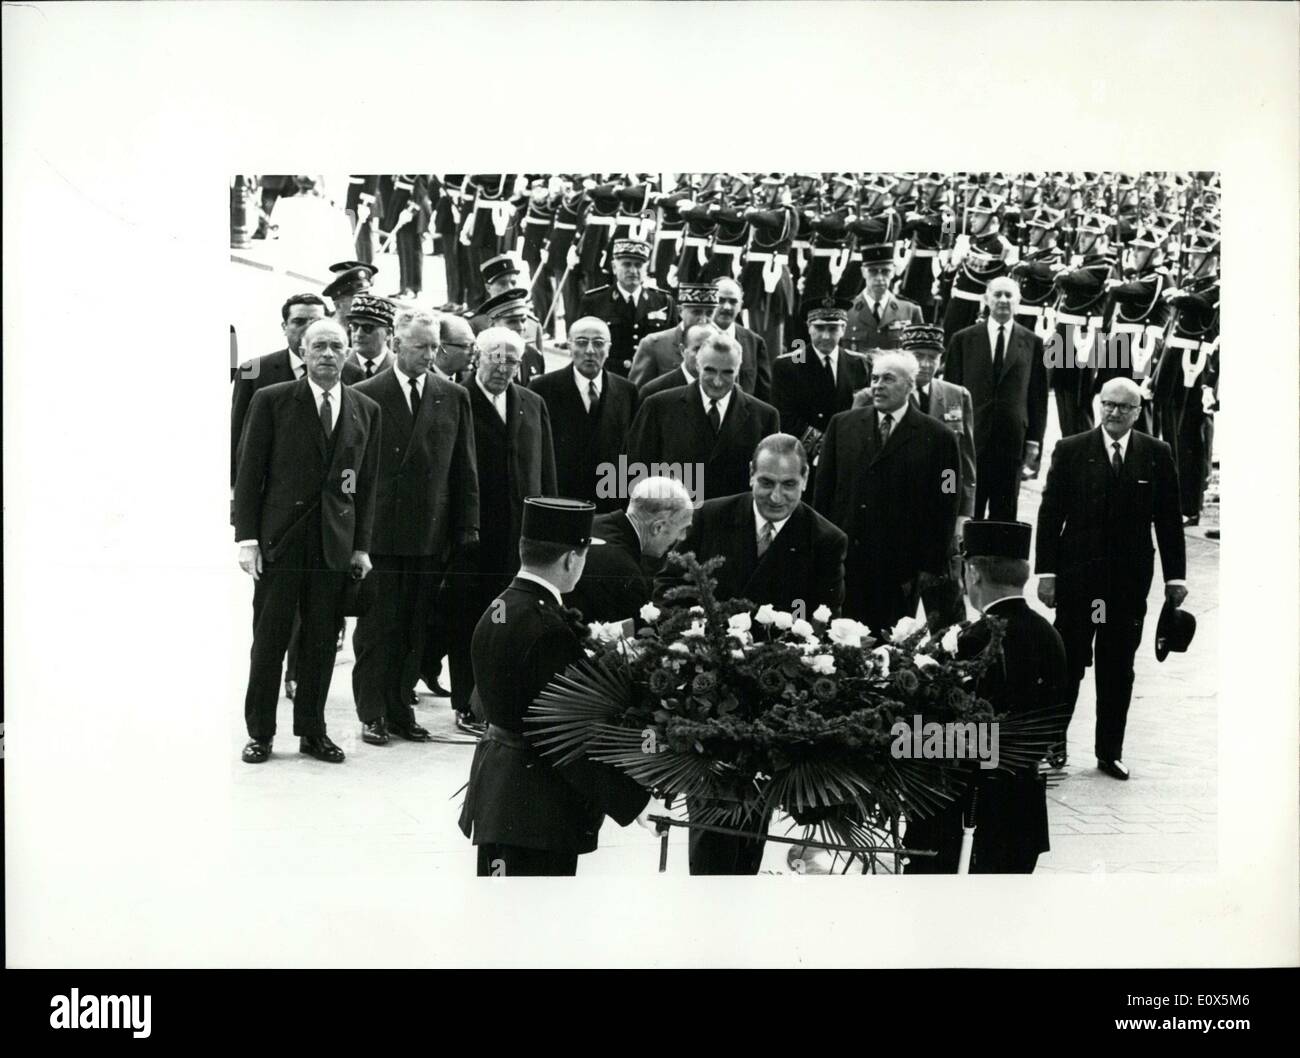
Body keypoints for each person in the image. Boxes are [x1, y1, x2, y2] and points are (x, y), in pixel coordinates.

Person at [660, 434, 847, 876]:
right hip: (708, 702)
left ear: (806, 480)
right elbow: (667, 593)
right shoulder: (710, 518)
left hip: (773, 710)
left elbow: (823, 627)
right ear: (750, 474)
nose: (776, 496)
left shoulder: (825, 539)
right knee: (713, 829)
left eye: (789, 485)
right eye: (766, 482)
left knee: (750, 832)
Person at [458, 498, 652, 876]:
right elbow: (568, 740)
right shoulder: (548, 628)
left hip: (498, 796)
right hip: (536, 812)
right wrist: (636, 803)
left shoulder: (500, 607)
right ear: (570, 560)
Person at [233, 319, 381, 765]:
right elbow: (249, 472)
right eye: (319, 346)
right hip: (281, 544)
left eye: (337, 346)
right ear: (302, 348)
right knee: (270, 640)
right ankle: (260, 732)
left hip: (332, 548)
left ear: (347, 352)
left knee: (321, 642)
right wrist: (249, 539)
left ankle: (312, 732)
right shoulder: (272, 400)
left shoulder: (364, 409)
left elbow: (366, 484)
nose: (328, 355)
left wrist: (360, 546)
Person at [1035, 377, 1187, 780]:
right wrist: (1046, 573)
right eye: (1108, 405)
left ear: (1138, 412)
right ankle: (1054, 745)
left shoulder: (1156, 453)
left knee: (1118, 667)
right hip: (1077, 579)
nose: (1115, 413)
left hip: (1127, 583)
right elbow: (1050, 514)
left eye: (1124, 407)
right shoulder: (1070, 449)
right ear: (1098, 406)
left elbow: (1169, 520)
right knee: (1067, 663)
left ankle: (1109, 752)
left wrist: (1176, 578)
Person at [903, 521, 1067, 873]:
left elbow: (967, 740)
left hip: (968, 820)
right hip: (1024, 815)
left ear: (973, 572)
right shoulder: (1049, 634)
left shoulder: (977, 639)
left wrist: (902, 737)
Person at [351, 308, 479, 746]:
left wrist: (467, 525)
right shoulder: (365, 393)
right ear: (399, 343)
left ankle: (401, 708)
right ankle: (373, 712)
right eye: (421, 346)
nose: (429, 355)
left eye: (434, 347)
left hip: (429, 534)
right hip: (380, 534)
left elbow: (464, 466)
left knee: (413, 626)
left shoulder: (452, 395)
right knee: (376, 627)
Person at [448, 327, 558, 733]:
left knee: (514, 621)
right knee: (471, 619)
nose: (502, 367)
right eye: (494, 357)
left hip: (521, 536)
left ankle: (505, 703)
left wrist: (549, 528)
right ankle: (467, 703)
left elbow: (545, 472)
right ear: (477, 357)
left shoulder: (532, 403)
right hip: (475, 533)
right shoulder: (458, 399)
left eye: (511, 360)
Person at [814, 350, 960, 635]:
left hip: (899, 566)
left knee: (888, 644)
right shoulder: (842, 425)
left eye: (888, 379)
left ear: (909, 385)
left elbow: (947, 503)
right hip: (847, 558)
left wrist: (931, 564)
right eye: (875, 378)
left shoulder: (940, 438)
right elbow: (823, 490)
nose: (877, 385)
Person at [625, 331, 781, 502]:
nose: (717, 381)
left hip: (734, 522)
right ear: (697, 366)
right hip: (673, 518)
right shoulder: (658, 407)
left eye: (727, 373)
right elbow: (636, 471)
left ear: (738, 370)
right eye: (710, 371)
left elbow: (767, 480)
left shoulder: (765, 417)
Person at [942, 276, 1048, 520]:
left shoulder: (1034, 343)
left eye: (1009, 295)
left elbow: (1037, 398)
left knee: (1005, 514)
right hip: (971, 439)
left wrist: (1034, 441)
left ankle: (1000, 556)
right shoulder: (963, 339)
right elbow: (950, 393)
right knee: (968, 509)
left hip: (1011, 440)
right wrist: (951, 435)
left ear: (1018, 302)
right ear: (986, 299)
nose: (1003, 300)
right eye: (997, 294)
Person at [528, 317, 639, 513]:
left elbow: (632, 452)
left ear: (609, 348)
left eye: (598, 343)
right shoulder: (542, 389)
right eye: (581, 342)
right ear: (569, 346)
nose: (589, 351)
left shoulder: (626, 391)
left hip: (610, 504)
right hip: (562, 501)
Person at [770, 295, 870, 497]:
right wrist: (826, 447)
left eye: (833, 329)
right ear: (808, 327)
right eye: (819, 328)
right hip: (804, 459)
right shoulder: (788, 366)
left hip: (847, 458)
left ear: (843, 329)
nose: (825, 336)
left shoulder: (859, 365)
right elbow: (786, 416)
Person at [565, 476, 695, 624]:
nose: (683, 537)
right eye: (682, 529)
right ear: (658, 527)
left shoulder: (590, 524)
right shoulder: (626, 573)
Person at [577, 238, 677, 376]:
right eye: (626, 264)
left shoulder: (663, 302)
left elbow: (673, 345)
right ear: (614, 267)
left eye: (638, 265)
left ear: (646, 268)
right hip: (609, 377)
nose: (633, 270)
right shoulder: (594, 301)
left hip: (650, 379)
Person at [628, 283, 718, 388]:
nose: (703, 319)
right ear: (680, 311)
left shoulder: (725, 344)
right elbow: (637, 392)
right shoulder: (655, 344)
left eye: (709, 313)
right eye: (696, 312)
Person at [843, 244, 923, 353]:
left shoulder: (910, 310)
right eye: (873, 271)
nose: (880, 278)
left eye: (885, 271)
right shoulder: (846, 311)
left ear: (893, 272)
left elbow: (919, 352)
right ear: (863, 272)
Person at [710, 278, 772, 402]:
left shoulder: (754, 342)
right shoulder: (695, 338)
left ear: (741, 305)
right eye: (720, 300)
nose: (727, 307)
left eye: (733, 302)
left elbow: (764, 395)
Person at [475, 286, 546, 386]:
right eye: (512, 321)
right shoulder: (483, 357)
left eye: (523, 320)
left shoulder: (534, 356)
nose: (520, 327)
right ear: (492, 324)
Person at [639, 322, 716, 399]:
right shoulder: (654, 391)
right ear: (682, 350)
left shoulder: (723, 387)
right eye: (697, 349)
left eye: (711, 349)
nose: (705, 355)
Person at [344, 293, 396, 379]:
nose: (359, 334)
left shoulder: (400, 368)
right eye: (355, 326)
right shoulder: (339, 363)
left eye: (368, 328)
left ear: (388, 333)